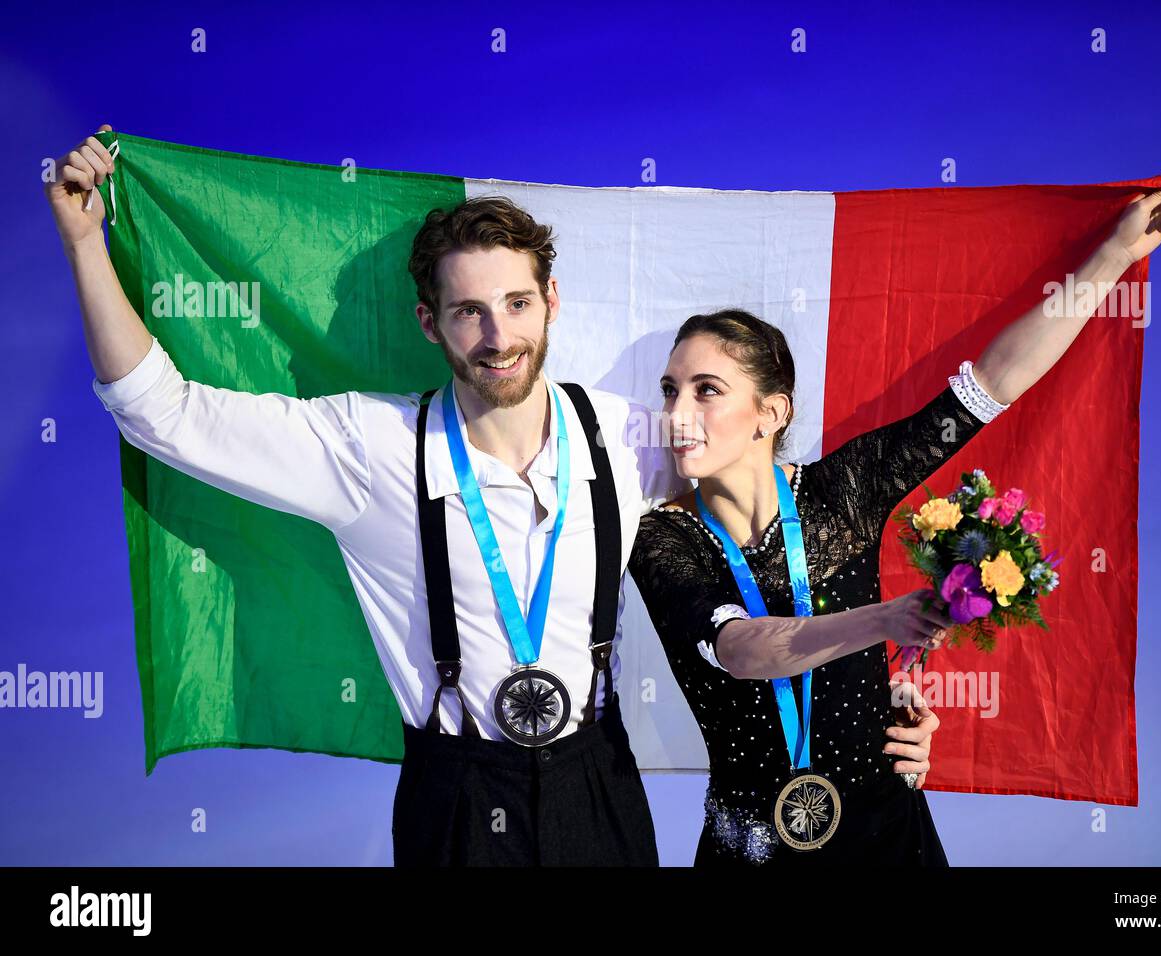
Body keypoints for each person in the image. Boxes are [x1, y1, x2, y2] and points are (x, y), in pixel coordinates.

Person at [45, 124, 946, 866]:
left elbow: (783, 511)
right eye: (468, 311)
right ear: (429, 322)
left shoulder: (631, 438)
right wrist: (87, 244)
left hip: (601, 787)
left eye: (516, 304)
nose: (497, 335)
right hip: (456, 795)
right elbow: (162, 415)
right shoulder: (369, 444)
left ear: (552, 302)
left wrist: (887, 705)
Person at [628, 183, 1161, 866]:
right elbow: (741, 650)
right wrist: (883, 621)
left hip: (888, 836)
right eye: (668, 390)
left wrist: (1115, 253)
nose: (677, 411)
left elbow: (990, 384)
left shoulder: (845, 489)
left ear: (771, 413)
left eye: (705, 390)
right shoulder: (660, 535)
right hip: (748, 848)